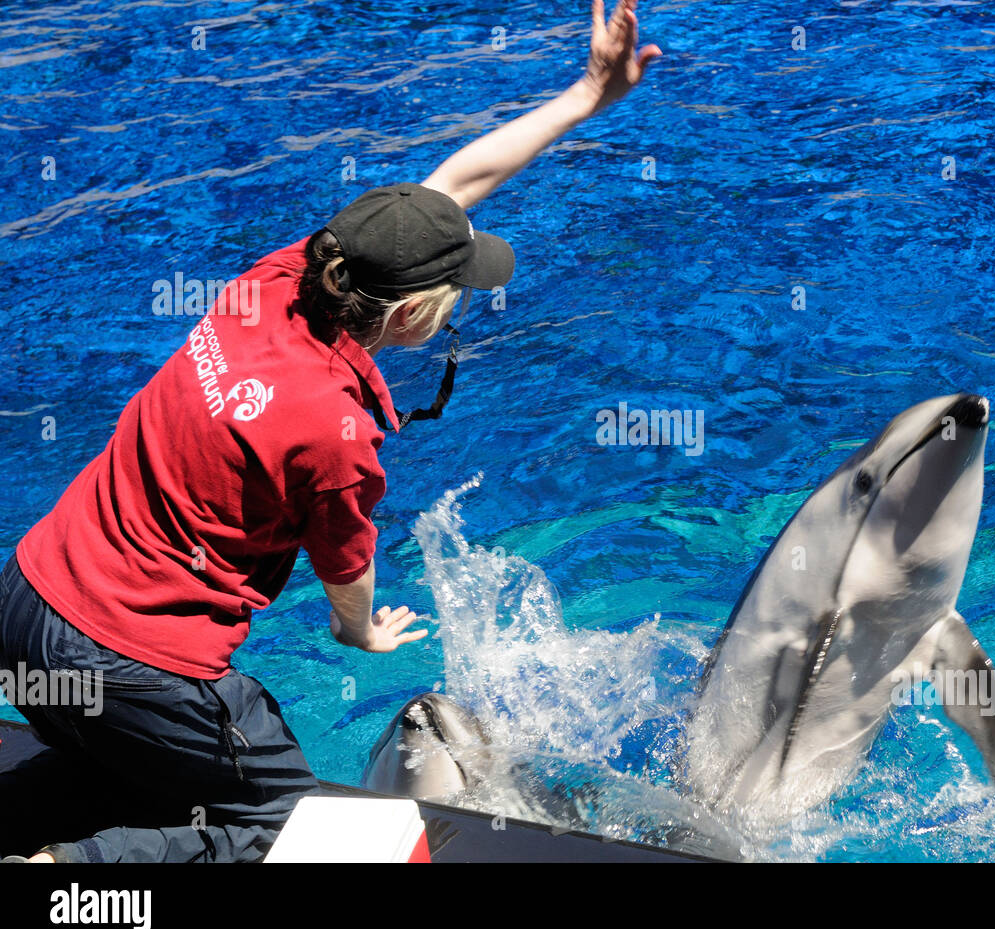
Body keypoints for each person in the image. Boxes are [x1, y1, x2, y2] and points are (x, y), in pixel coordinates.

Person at [0, 0, 660, 863]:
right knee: (285, 826)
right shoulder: (336, 429)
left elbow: (454, 186)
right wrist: (362, 634)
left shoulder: (282, 275)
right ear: (414, 315)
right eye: (457, 290)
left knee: (126, 764)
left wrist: (585, 95)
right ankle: (61, 881)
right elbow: (346, 573)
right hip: (135, 660)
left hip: (27, 601)